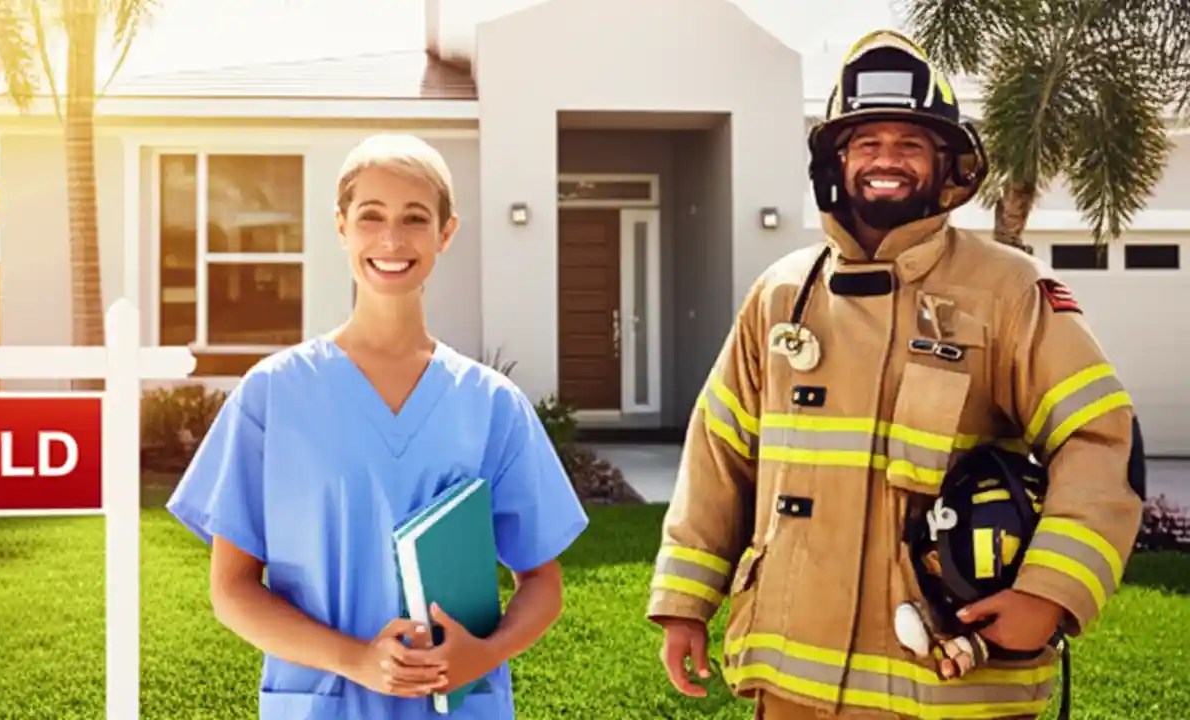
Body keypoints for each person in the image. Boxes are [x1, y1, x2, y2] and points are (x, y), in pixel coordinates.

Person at [646, 29, 1145, 720]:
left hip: (948, 682)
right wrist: (685, 603)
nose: (888, 161)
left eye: (911, 145)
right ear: (837, 161)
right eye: (868, 144)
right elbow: (719, 454)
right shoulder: (782, 295)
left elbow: (1101, 437)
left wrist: (1050, 592)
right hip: (793, 682)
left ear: (948, 168)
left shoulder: (1009, 289)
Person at [166, 132, 589, 719]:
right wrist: (356, 660)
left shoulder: (491, 404)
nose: (392, 239)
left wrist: (482, 655)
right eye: (371, 216)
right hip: (323, 705)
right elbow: (232, 590)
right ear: (341, 227)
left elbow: (541, 581)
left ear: (447, 232)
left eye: (415, 218)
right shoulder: (274, 394)